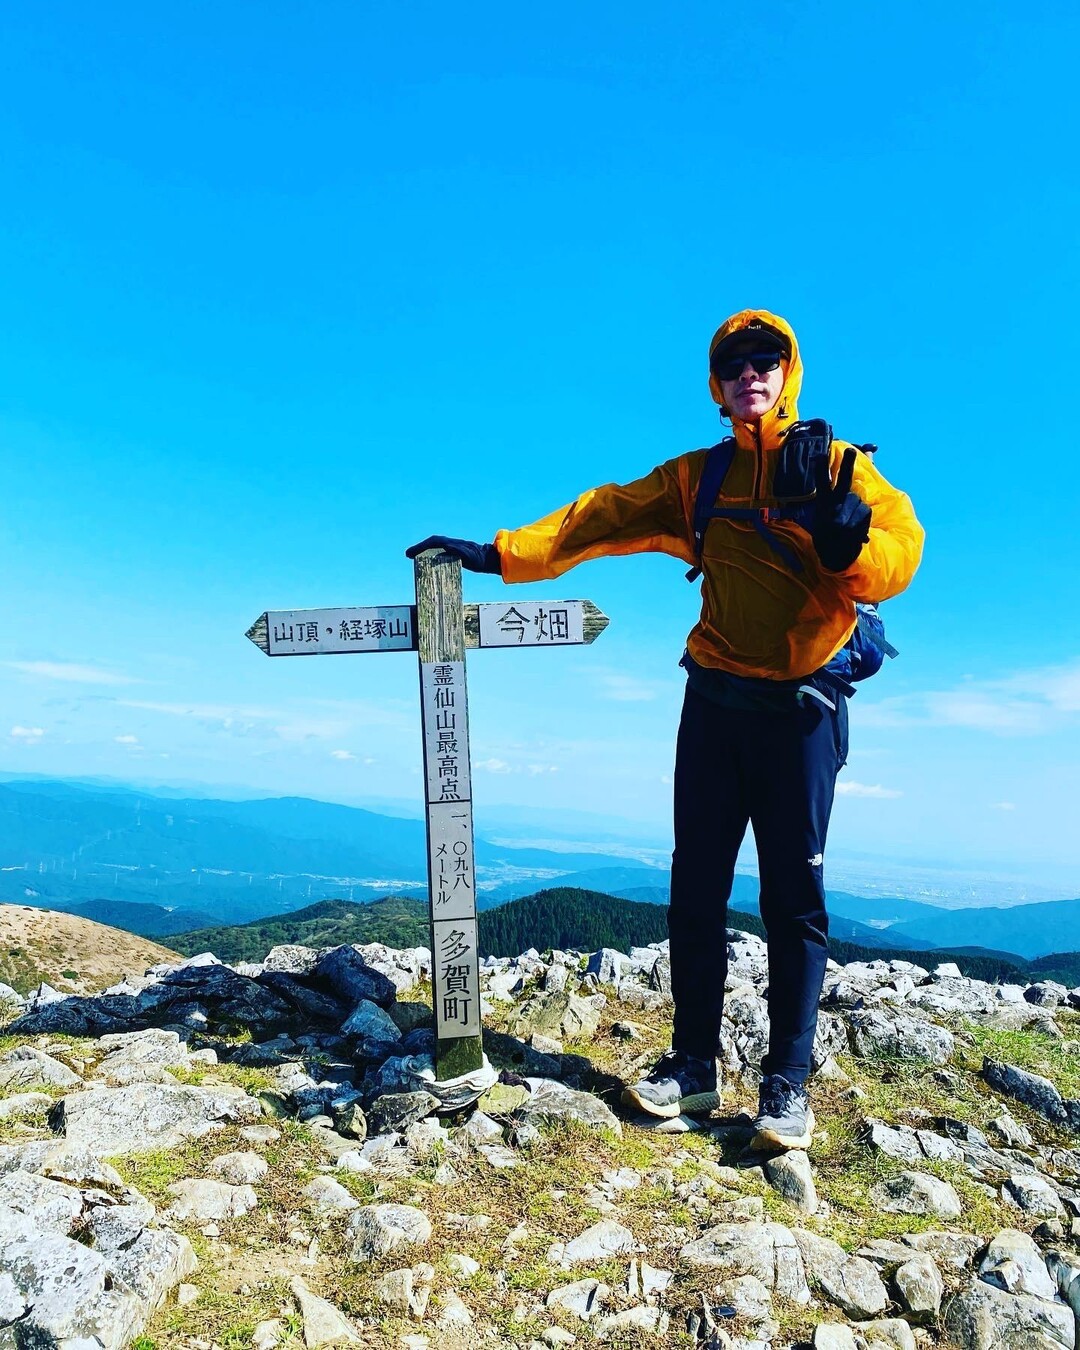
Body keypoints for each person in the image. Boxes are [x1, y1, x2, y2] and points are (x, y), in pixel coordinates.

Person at [407, 309, 924, 1151]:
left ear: (787, 374)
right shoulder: (700, 480)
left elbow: (902, 548)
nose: (750, 373)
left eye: (767, 360)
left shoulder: (835, 468)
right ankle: (693, 1065)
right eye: (733, 364)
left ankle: (786, 1085)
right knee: (695, 891)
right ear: (716, 387)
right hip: (715, 703)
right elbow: (602, 517)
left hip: (801, 712)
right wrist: (503, 556)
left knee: (794, 904)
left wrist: (851, 548)